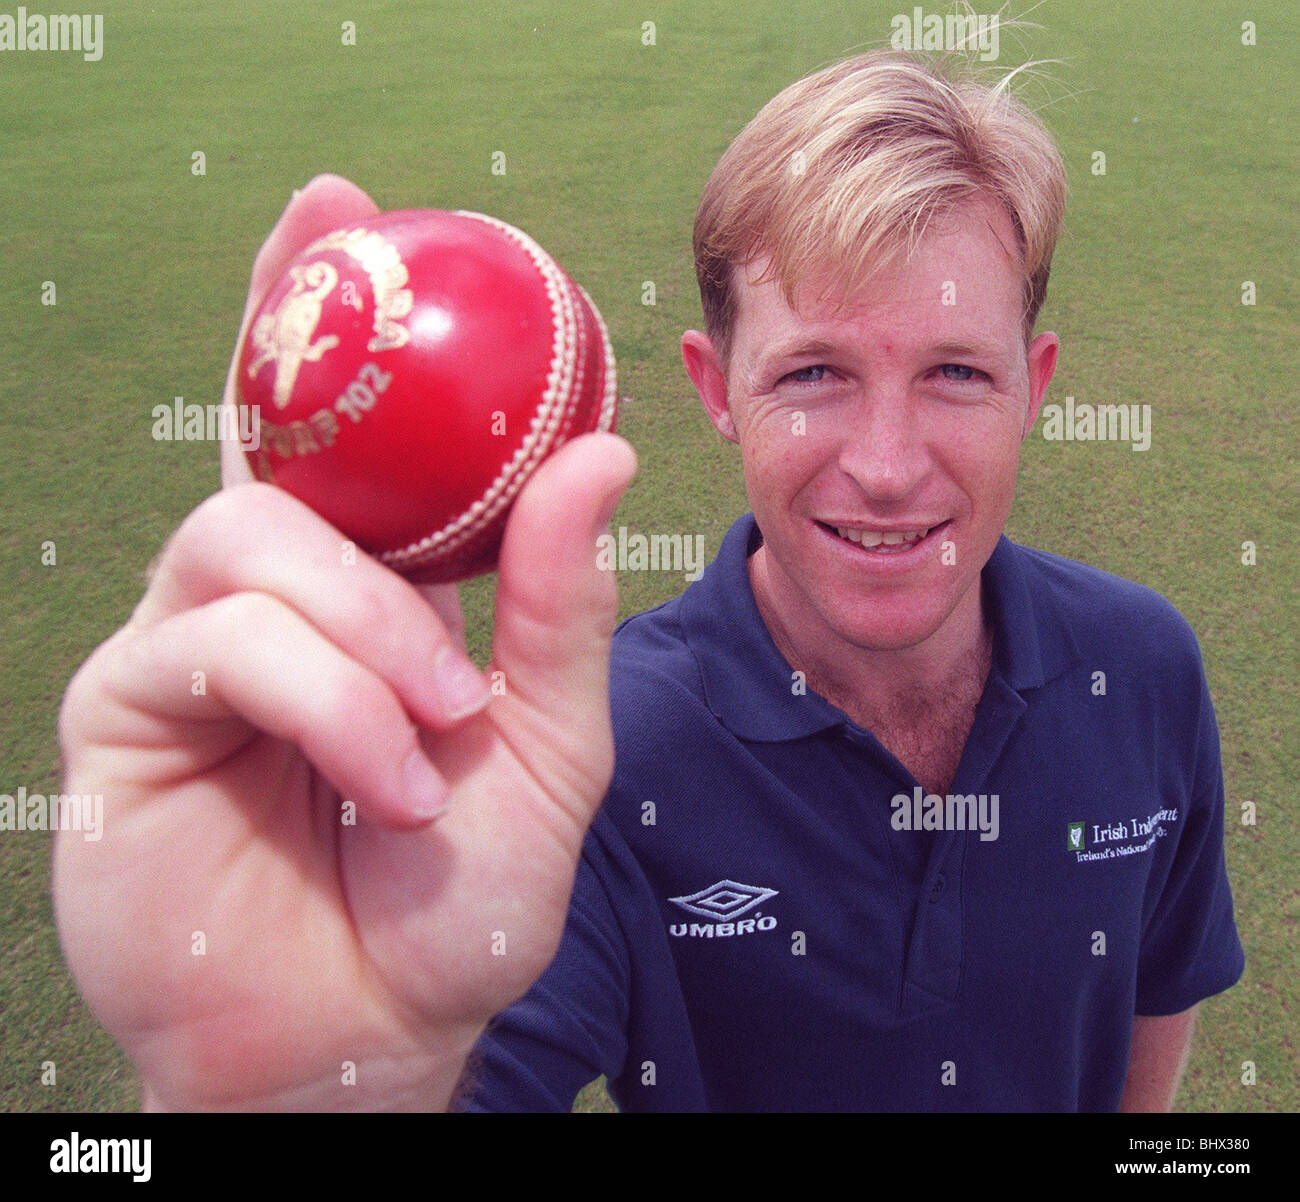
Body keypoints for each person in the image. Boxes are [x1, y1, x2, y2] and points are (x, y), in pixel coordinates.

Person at [54, 50, 1243, 1113]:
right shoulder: (583, 760)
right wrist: (292, 1092)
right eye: (814, 372)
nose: (885, 468)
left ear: (1033, 385)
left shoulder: (1138, 668)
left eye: (956, 374)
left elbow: (1153, 991)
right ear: (715, 386)